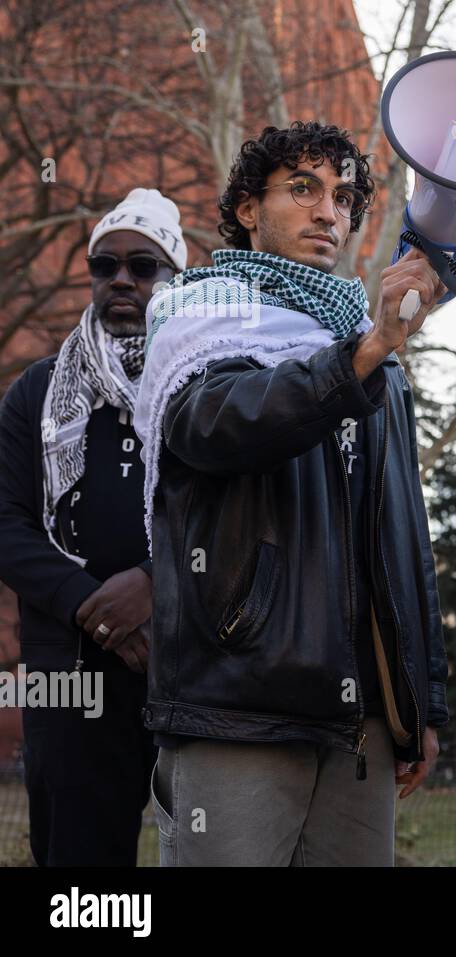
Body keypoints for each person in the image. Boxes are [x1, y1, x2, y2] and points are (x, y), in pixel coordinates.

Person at [133, 121, 450, 866]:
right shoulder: (197, 311)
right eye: (303, 188)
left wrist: (421, 702)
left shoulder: (370, 350)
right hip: (239, 702)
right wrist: (364, 355)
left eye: (343, 198)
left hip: (364, 718)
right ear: (247, 207)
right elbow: (219, 423)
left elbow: (408, 536)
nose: (327, 213)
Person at [0, 188, 185, 865]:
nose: (122, 281)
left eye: (144, 266)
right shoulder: (38, 391)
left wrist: (154, 583)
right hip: (69, 671)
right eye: (104, 266)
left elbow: (238, 520)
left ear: (175, 280)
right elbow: (7, 524)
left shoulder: (207, 386)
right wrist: (91, 603)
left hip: (192, 661)